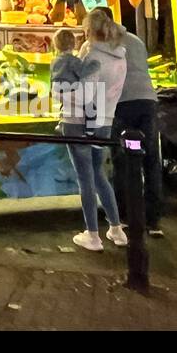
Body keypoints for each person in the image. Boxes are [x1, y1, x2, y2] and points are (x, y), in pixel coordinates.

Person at [61, 13, 129, 252]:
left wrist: (62, 94)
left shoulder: (92, 54)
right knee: (99, 175)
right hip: (105, 121)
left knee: (86, 178)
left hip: (79, 121)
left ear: (88, 29)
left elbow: (85, 94)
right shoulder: (120, 54)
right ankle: (116, 228)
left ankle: (92, 234)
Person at [96, 7, 163, 237]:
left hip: (121, 105)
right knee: (150, 159)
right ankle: (153, 220)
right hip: (146, 101)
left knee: (122, 160)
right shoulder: (135, 40)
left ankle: (123, 216)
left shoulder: (97, 43)